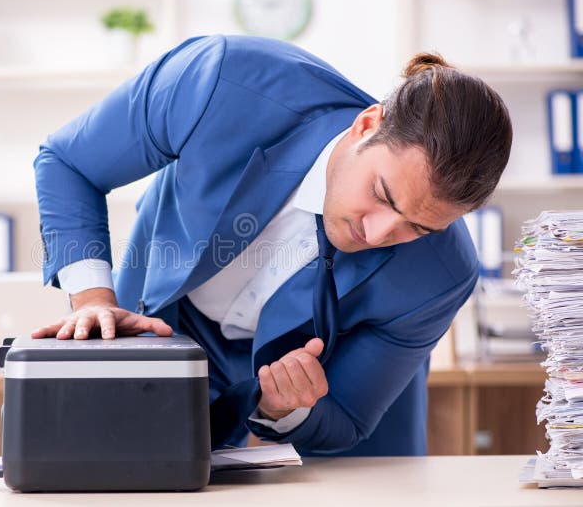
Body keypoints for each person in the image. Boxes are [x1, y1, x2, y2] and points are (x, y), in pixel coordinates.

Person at [31, 35, 512, 456]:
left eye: (418, 228)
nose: (380, 233)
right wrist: (93, 299)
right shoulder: (220, 82)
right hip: (163, 319)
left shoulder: (441, 273)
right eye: (382, 196)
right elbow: (69, 162)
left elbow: (347, 415)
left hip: (321, 390)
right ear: (367, 125)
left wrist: (288, 411)